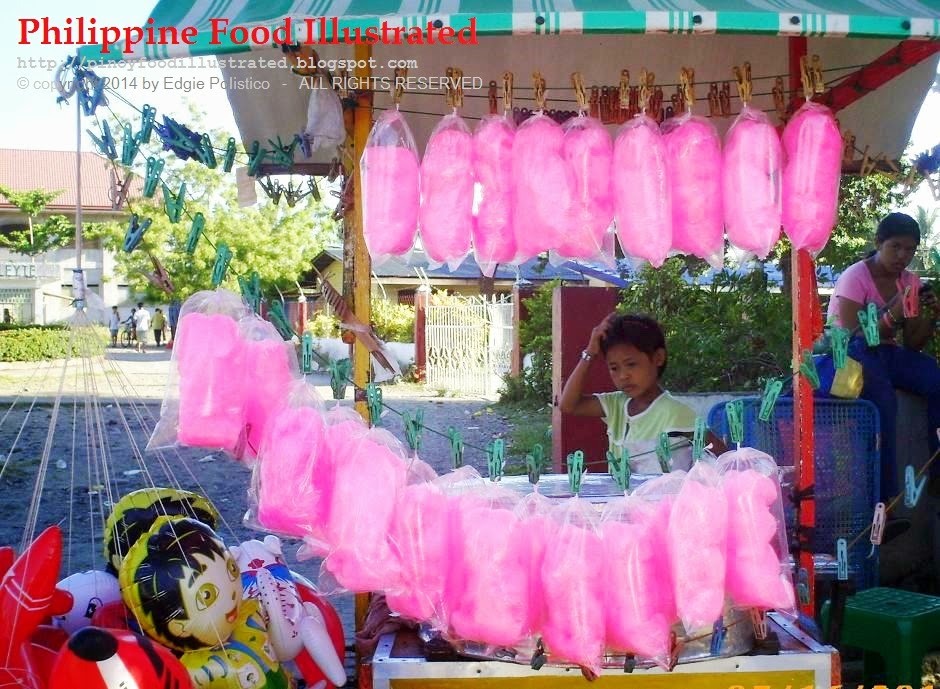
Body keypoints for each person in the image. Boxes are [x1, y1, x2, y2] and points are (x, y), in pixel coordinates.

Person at [826, 212, 940, 499]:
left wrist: (932, 316)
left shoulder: (910, 281)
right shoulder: (855, 277)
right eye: (896, 247)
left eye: (910, 249)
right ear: (879, 242)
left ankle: (937, 474)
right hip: (850, 355)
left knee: (935, 378)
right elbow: (851, 336)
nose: (903, 255)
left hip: (888, 353)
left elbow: (913, 344)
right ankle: (882, 499)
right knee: (883, 403)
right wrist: (893, 314)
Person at [560, 312, 726, 474]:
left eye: (631, 364)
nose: (623, 375)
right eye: (614, 368)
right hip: (622, 500)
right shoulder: (615, 405)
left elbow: (724, 459)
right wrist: (590, 353)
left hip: (661, 501)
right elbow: (568, 405)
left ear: (658, 358)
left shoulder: (675, 413)